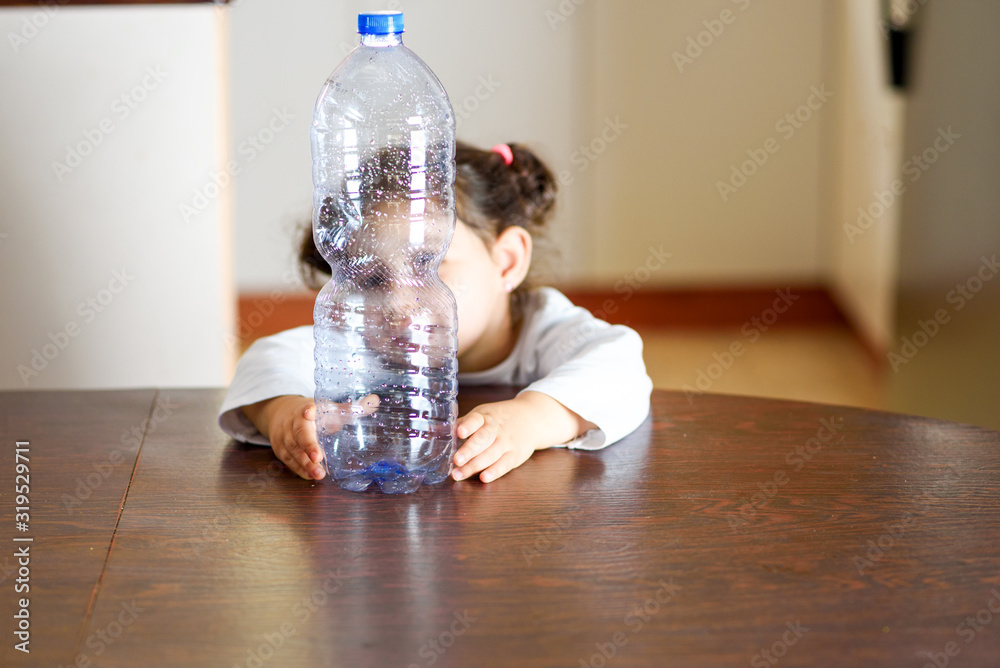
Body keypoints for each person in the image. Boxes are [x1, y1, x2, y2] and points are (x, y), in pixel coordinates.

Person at [218, 141, 652, 485]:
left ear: (506, 261)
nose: (396, 303)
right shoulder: (367, 341)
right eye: (371, 280)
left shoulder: (545, 329)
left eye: (428, 263)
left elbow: (620, 367)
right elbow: (268, 357)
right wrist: (284, 415)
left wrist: (533, 420)